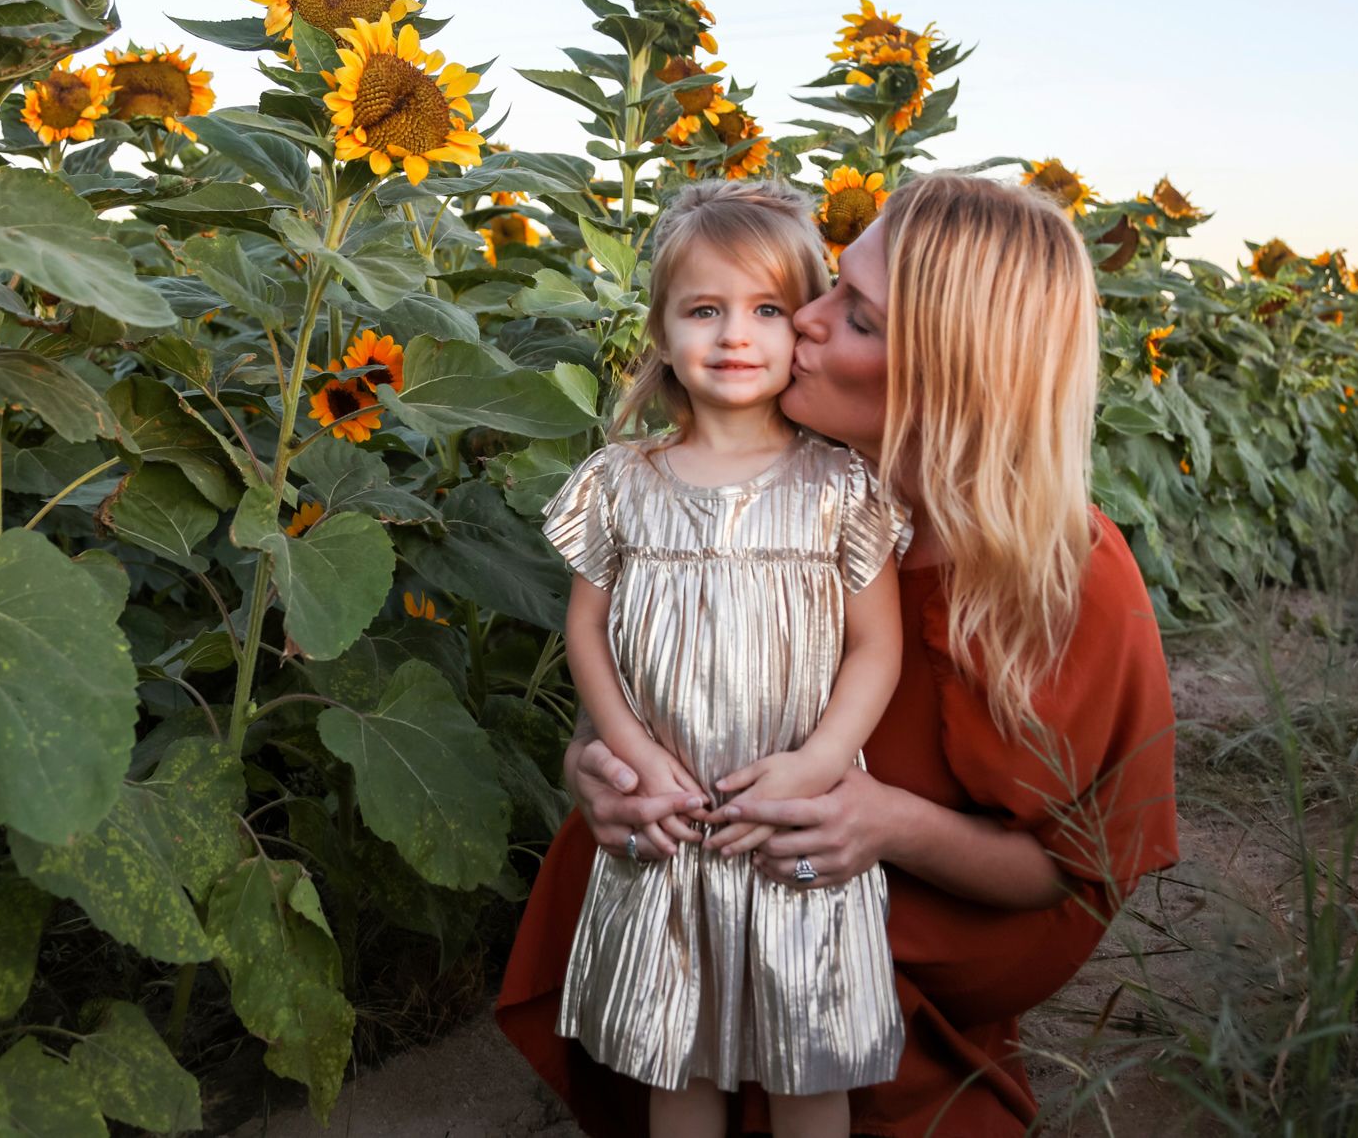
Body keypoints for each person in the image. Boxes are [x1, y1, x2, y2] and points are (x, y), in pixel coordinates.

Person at [497, 173, 1181, 1137]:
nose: (800, 323)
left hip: (899, 966)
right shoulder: (754, 494)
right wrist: (594, 768)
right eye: (826, 286)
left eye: (854, 316)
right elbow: (648, 668)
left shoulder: (1064, 576)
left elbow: (1070, 875)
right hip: (717, 890)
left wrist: (883, 821)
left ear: (953, 379)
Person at [540, 179, 913, 1138]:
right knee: (679, 1045)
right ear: (663, 333)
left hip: (788, 804)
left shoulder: (839, 484)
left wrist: (821, 765)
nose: (735, 336)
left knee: (809, 1050)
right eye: (704, 311)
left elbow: (878, 645)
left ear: (802, 331)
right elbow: (588, 628)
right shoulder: (623, 479)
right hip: (677, 810)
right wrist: (630, 752)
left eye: (766, 311)